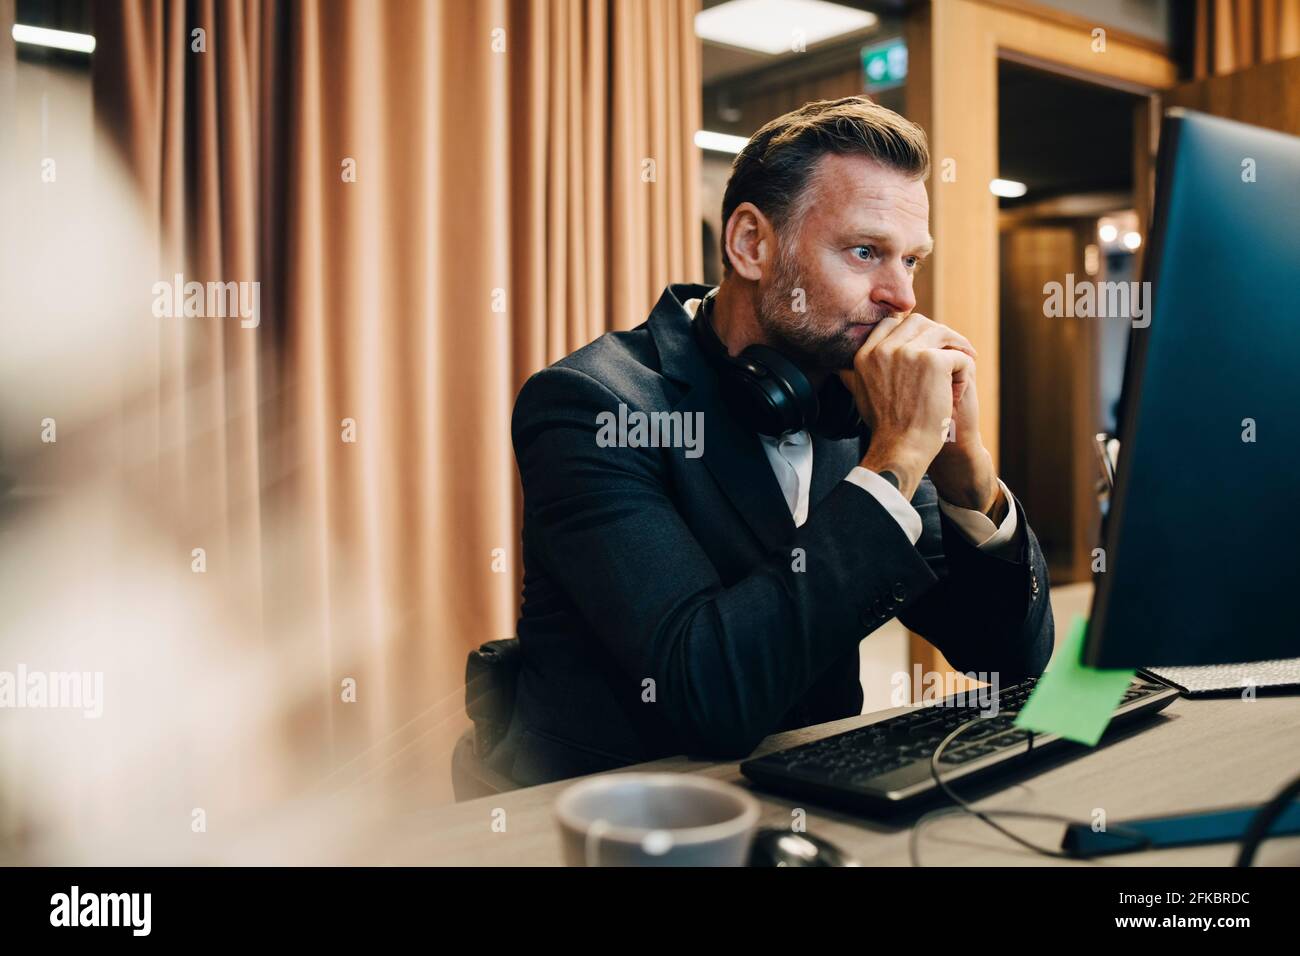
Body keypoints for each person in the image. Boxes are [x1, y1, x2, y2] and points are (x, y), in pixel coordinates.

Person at [493, 96, 1053, 787]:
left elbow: (1008, 659)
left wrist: (968, 477)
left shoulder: (852, 401)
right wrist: (892, 464)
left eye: (911, 260)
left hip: (815, 803)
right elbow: (708, 696)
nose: (903, 296)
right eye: (865, 251)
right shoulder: (593, 405)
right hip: (616, 819)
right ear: (752, 245)